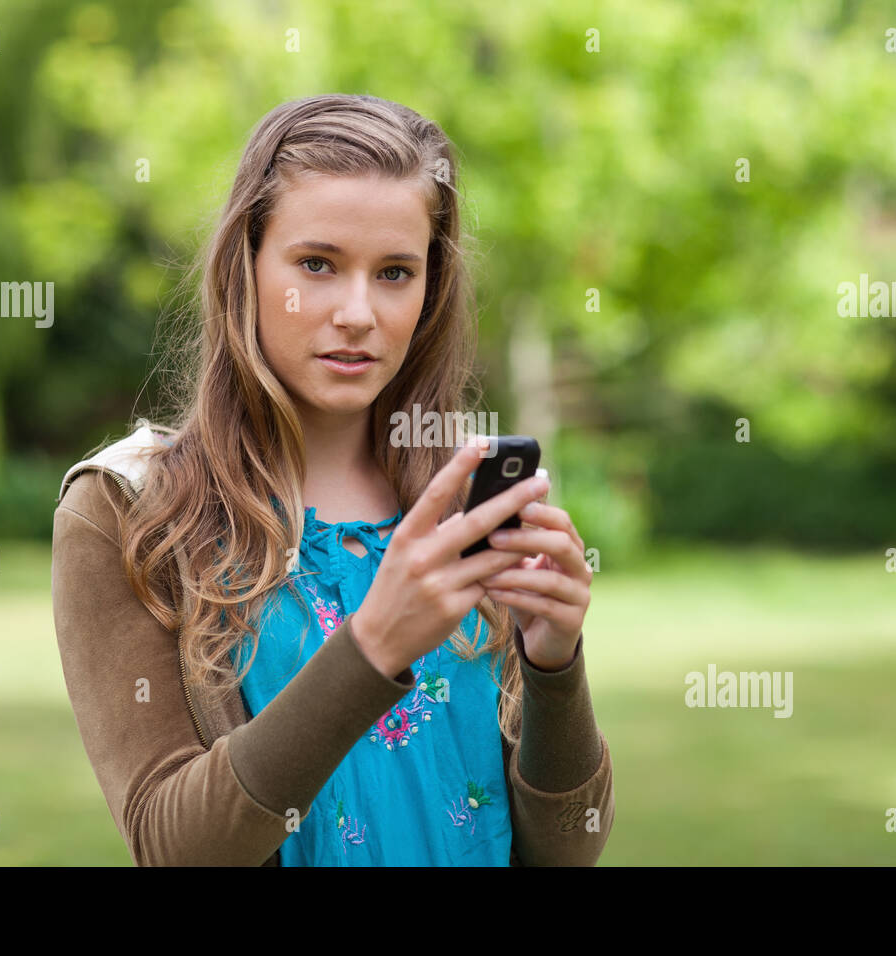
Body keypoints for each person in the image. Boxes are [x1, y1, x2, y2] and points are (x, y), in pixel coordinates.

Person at [51, 93, 614, 866]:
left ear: (430, 288)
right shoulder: (129, 507)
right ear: (245, 265)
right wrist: (375, 643)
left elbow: (567, 852)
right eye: (317, 265)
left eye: (394, 273)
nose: (358, 312)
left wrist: (555, 667)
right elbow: (174, 846)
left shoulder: (463, 492)